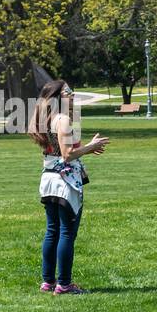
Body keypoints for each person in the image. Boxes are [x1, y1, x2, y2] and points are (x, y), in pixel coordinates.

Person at [30, 79, 109, 294]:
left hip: (48, 180)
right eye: (68, 92)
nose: (72, 95)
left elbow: (57, 153)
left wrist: (86, 148)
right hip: (65, 183)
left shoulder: (45, 119)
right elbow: (66, 155)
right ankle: (64, 284)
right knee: (66, 232)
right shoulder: (62, 119)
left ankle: (48, 282)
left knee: (52, 231)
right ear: (57, 97)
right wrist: (91, 147)